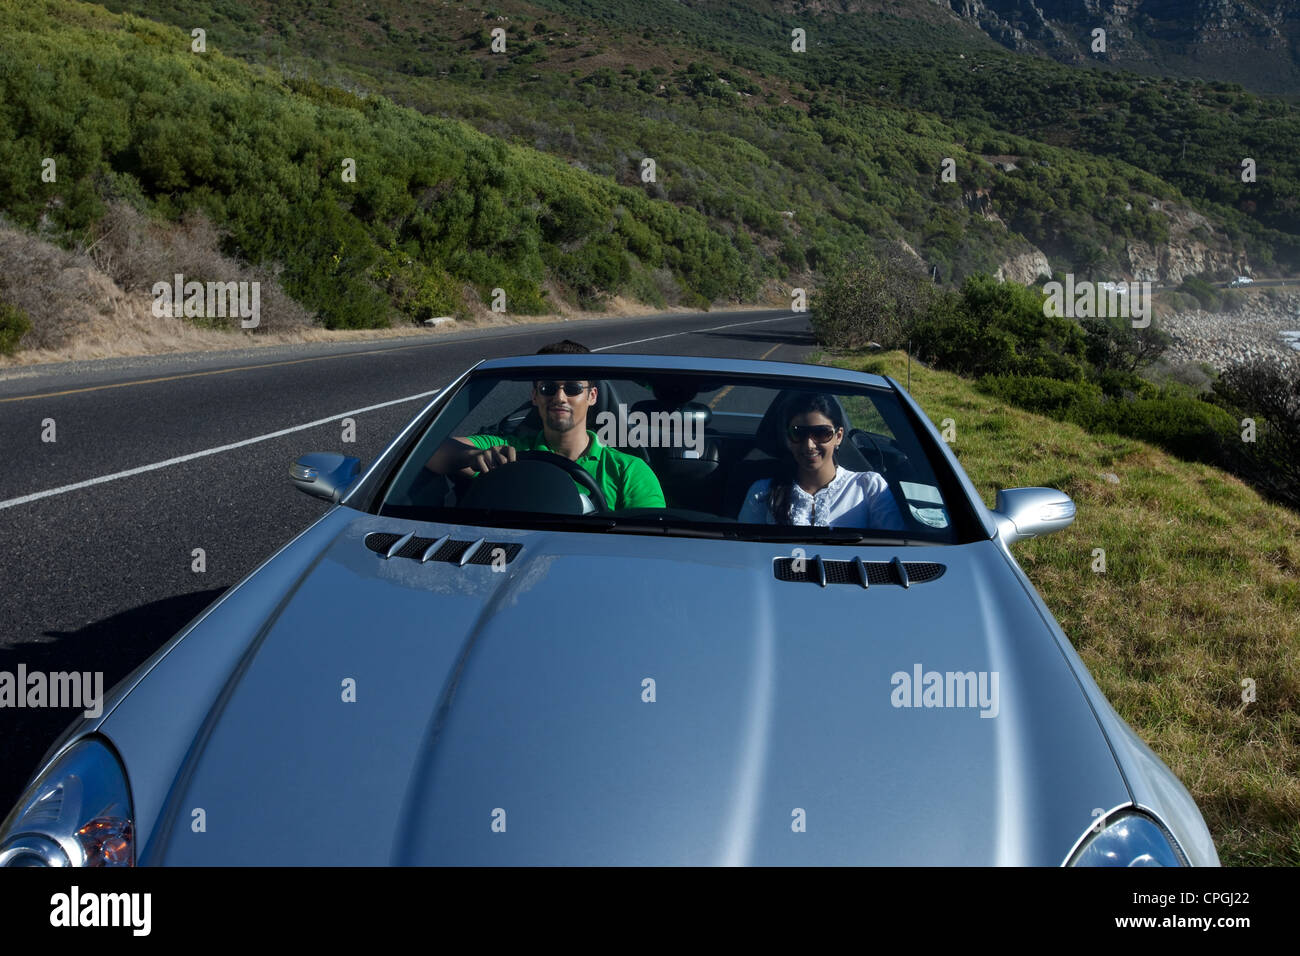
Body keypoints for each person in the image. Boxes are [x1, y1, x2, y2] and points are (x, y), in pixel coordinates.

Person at [425, 377, 665, 510]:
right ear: (535, 396)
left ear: (592, 396)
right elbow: (426, 451)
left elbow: (649, 547)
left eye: (572, 388)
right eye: (548, 388)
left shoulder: (629, 470)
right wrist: (473, 456)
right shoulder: (507, 449)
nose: (559, 397)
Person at [738, 392, 904, 529]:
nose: (809, 445)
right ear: (788, 438)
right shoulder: (762, 492)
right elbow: (745, 553)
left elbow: (896, 551)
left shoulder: (869, 488)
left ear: (838, 436)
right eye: (798, 433)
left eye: (821, 433)